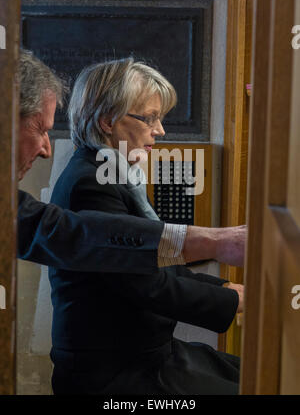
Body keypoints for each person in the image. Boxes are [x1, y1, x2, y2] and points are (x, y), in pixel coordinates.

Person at [49, 58, 243, 395]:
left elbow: (153, 258)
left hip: (147, 356)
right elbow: (144, 285)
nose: (160, 130)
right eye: (149, 118)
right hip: (113, 372)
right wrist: (234, 301)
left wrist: (224, 286)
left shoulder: (112, 171)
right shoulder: (91, 184)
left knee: (251, 374)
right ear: (107, 120)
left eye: (161, 118)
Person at [18, 49, 246, 273]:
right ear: (107, 122)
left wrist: (219, 256)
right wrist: (216, 244)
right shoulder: (91, 178)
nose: (47, 150)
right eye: (149, 118)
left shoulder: (121, 172)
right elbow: (80, 237)